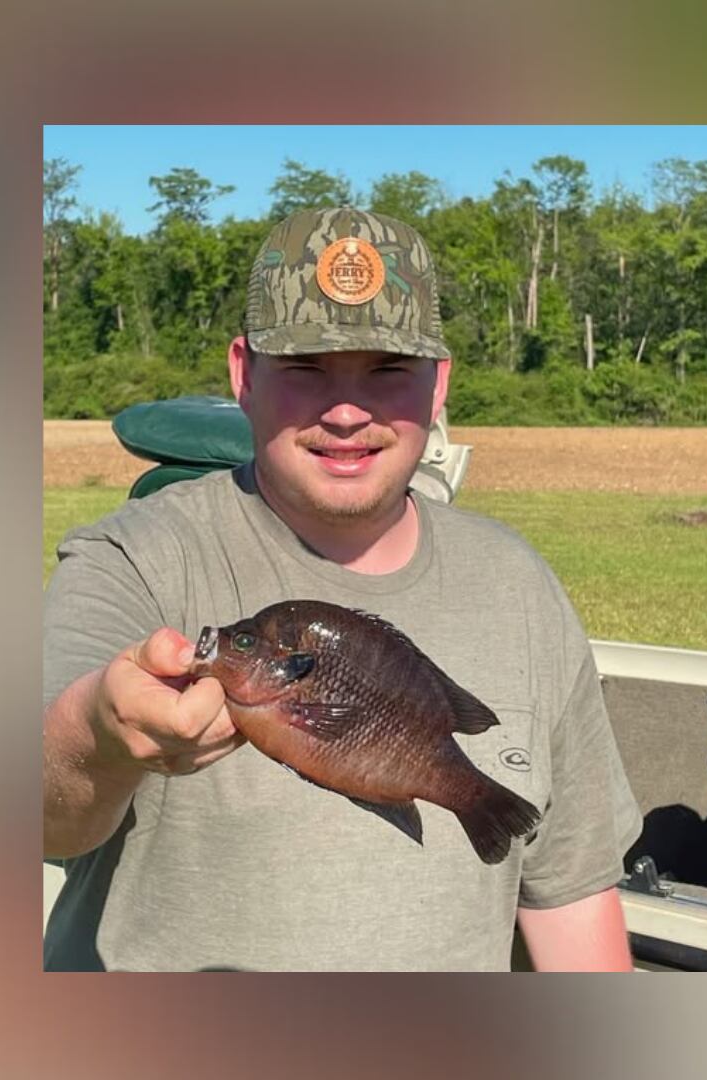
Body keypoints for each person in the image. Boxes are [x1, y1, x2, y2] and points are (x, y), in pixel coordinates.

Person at [43, 206, 641, 971]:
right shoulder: (134, 559)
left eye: (388, 370)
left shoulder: (519, 585)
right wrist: (99, 732)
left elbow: (572, 891)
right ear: (243, 375)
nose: (349, 411)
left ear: (438, 386)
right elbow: (40, 814)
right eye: (306, 368)